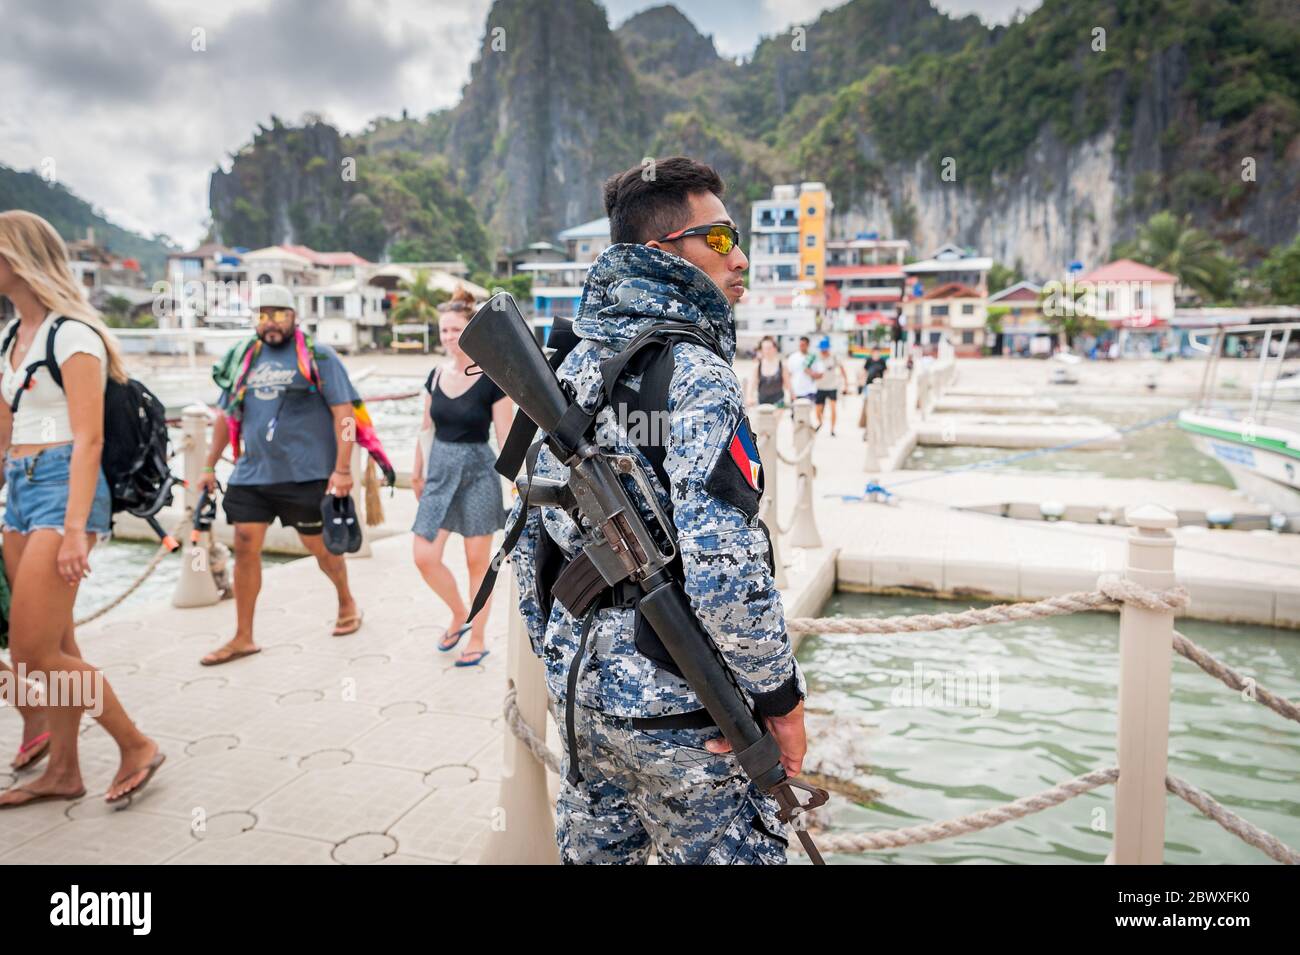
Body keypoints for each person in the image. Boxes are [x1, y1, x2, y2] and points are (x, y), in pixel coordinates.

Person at [508, 157, 808, 864]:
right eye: (725, 241)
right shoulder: (697, 373)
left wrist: (563, 670)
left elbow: (528, 543)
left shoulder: (568, 366)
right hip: (688, 717)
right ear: (661, 252)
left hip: (586, 708)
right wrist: (781, 702)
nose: (742, 261)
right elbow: (724, 569)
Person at [0, 210, 163, 806]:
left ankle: (136, 743)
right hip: (20, 488)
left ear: (18, 259)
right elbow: (4, 428)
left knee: (33, 654)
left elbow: (89, 437)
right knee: (59, 647)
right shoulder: (10, 338)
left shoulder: (73, 334)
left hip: (63, 486)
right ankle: (64, 771)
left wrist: (75, 531)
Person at [198, 284, 368, 665]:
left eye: (277, 314)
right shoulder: (243, 358)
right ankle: (243, 636)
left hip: (305, 474)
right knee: (244, 544)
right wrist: (210, 464)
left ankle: (346, 600)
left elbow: (344, 414)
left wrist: (342, 469)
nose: (270, 322)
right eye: (263, 315)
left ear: (294, 317)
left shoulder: (319, 357)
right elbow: (227, 416)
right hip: (253, 473)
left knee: (320, 548)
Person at [411, 287, 511, 667]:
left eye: (455, 330)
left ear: (471, 330)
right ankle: (458, 612)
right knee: (424, 555)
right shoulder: (435, 375)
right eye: (444, 331)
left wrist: (519, 484)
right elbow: (425, 429)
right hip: (438, 471)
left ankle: (479, 636)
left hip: (478, 473)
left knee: (477, 562)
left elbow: (504, 438)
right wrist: (417, 471)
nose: (449, 338)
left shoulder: (492, 377)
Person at [812, 337, 848, 434]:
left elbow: (842, 369)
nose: (823, 351)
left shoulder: (834, 357)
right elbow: (811, 370)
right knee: (817, 410)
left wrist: (846, 384)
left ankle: (832, 429)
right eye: (822, 349)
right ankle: (820, 422)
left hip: (832, 386)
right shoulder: (816, 357)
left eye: (825, 349)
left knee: (833, 408)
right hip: (820, 386)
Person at [748, 334, 788, 407]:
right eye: (765, 348)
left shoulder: (782, 365)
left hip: (779, 401)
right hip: (763, 401)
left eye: (769, 348)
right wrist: (749, 397)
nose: (767, 351)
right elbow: (753, 383)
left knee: (775, 418)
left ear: (775, 348)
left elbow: (788, 384)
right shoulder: (757, 366)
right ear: (762, 350)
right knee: (765, 417)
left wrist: (793, 396)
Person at [785, 335, 823, 408]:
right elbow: (787, 375)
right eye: (800, 344)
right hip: (796, 391)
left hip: (809, 391)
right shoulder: (793, 357)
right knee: (795, 415)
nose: (801, 346)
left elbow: (820, 375)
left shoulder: (813, 357)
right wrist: (789, 391)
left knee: (806, 415)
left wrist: (810, 372)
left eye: (803, 345)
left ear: (808, 345)